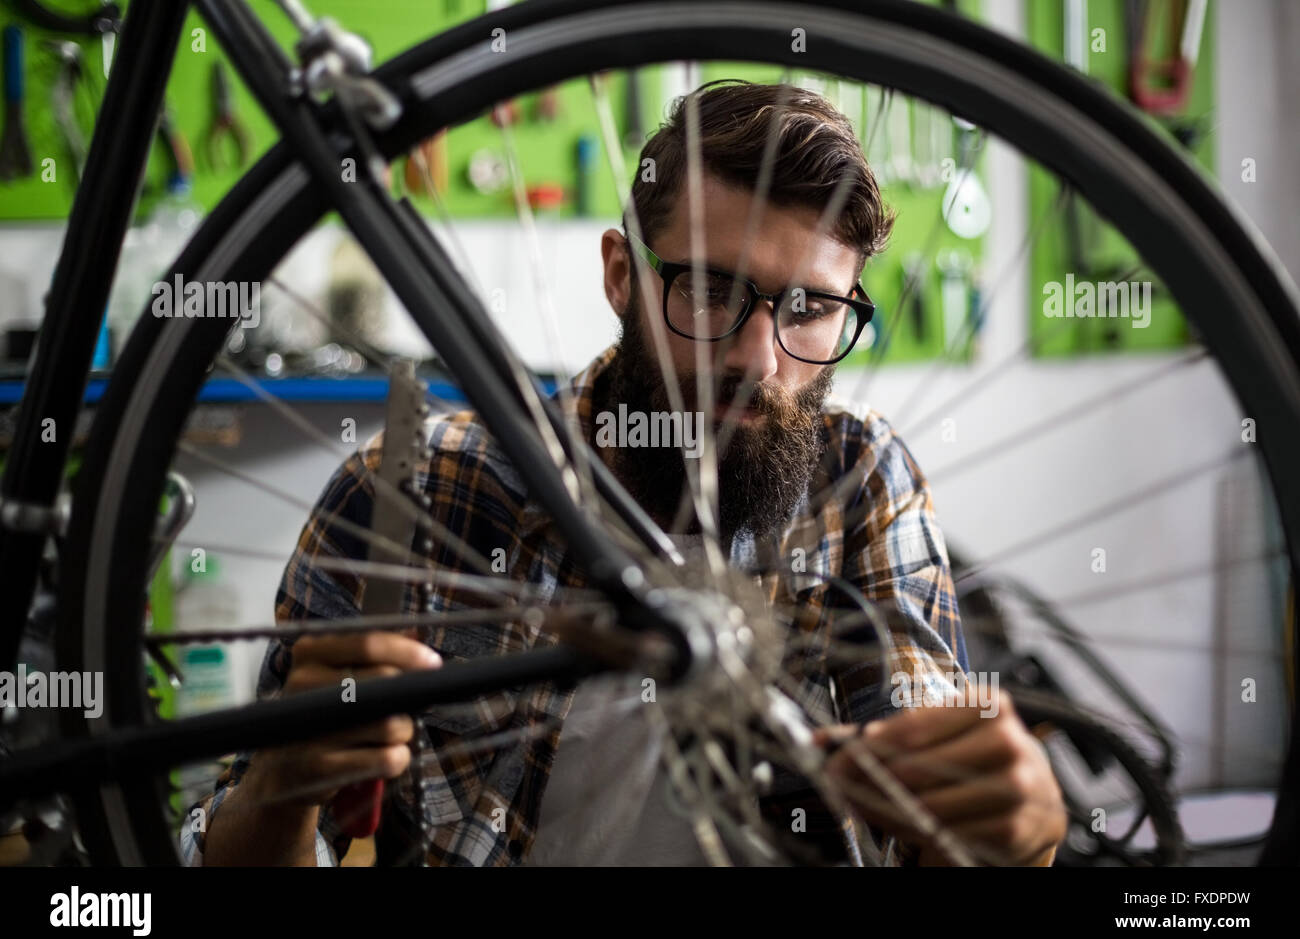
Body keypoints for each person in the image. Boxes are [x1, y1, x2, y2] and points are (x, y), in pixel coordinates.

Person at [186, 80, 1066, 867]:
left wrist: (1016, 835)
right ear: (621, 274)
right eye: (713, 291)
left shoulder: (860, 477)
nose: (758, 358)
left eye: (809, 308)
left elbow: (937, 821)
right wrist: (279, 789)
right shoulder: (419, 488)